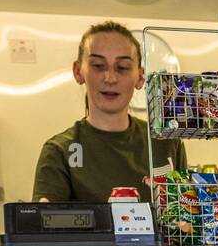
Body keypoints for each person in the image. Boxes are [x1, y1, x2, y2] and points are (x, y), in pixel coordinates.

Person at [32, 20, 186, 203]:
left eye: (122, 68)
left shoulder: (165, 143)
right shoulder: (61, 151)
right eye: (98, 65)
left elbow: (184, 223)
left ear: (140, 77)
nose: (110, 78)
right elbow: (45, 226)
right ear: (78, 72)